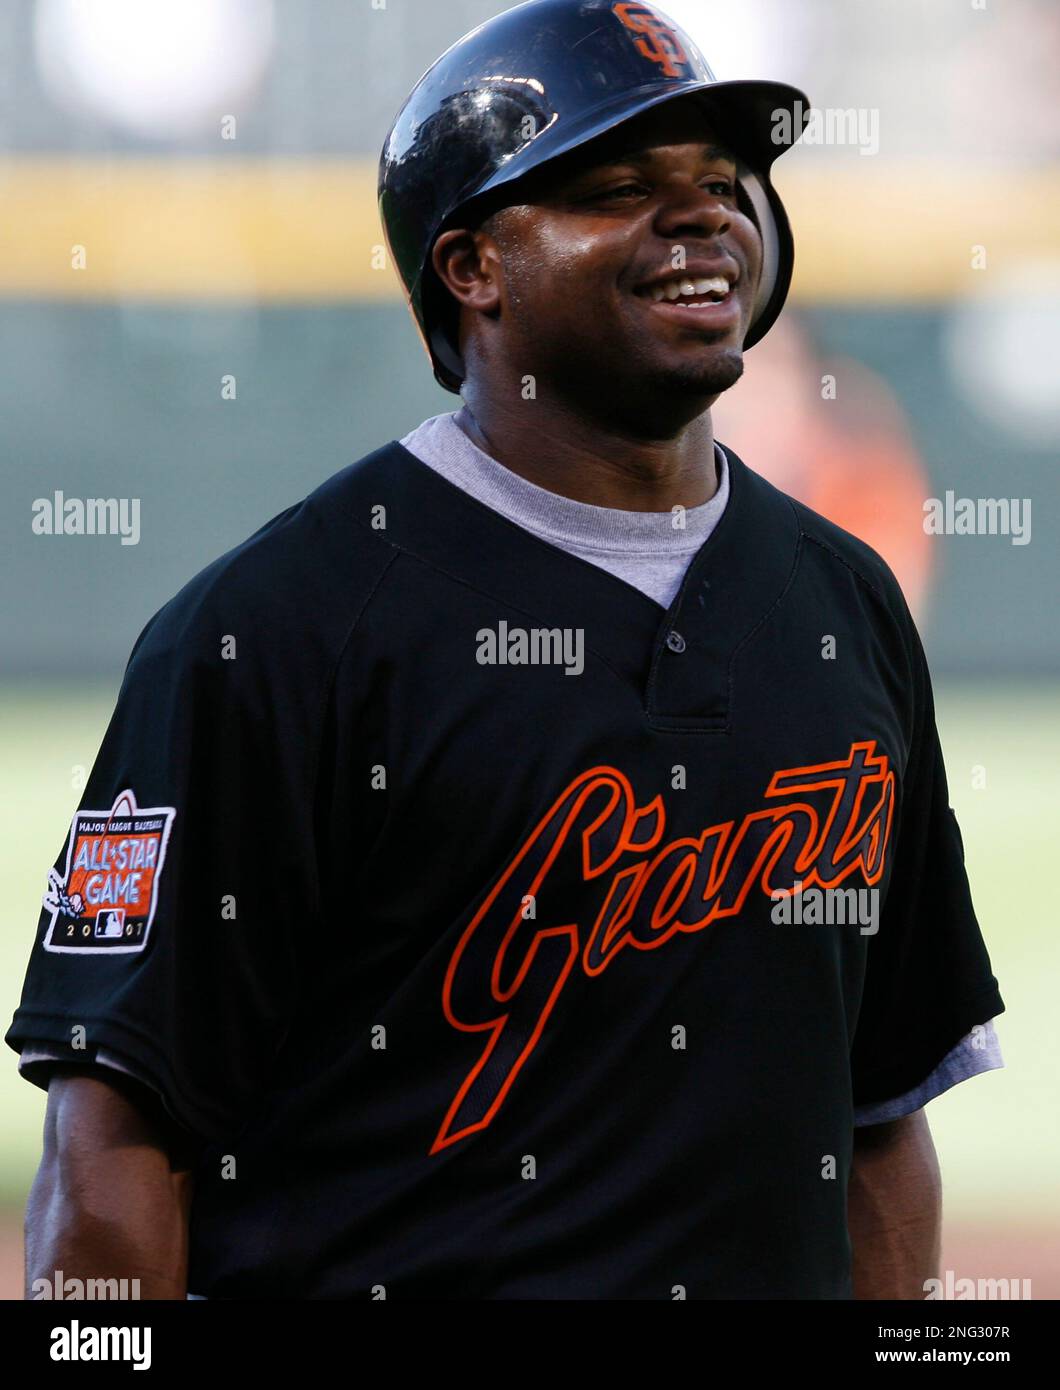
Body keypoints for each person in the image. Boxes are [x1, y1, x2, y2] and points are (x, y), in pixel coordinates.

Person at [8, 0, 1004, 1300]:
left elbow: (880, 1118)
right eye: (618, 186)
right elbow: (111, 1152)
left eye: (719, 181)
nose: (701, 216)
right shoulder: (273, 628)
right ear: (471, 266)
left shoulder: (844, 603)